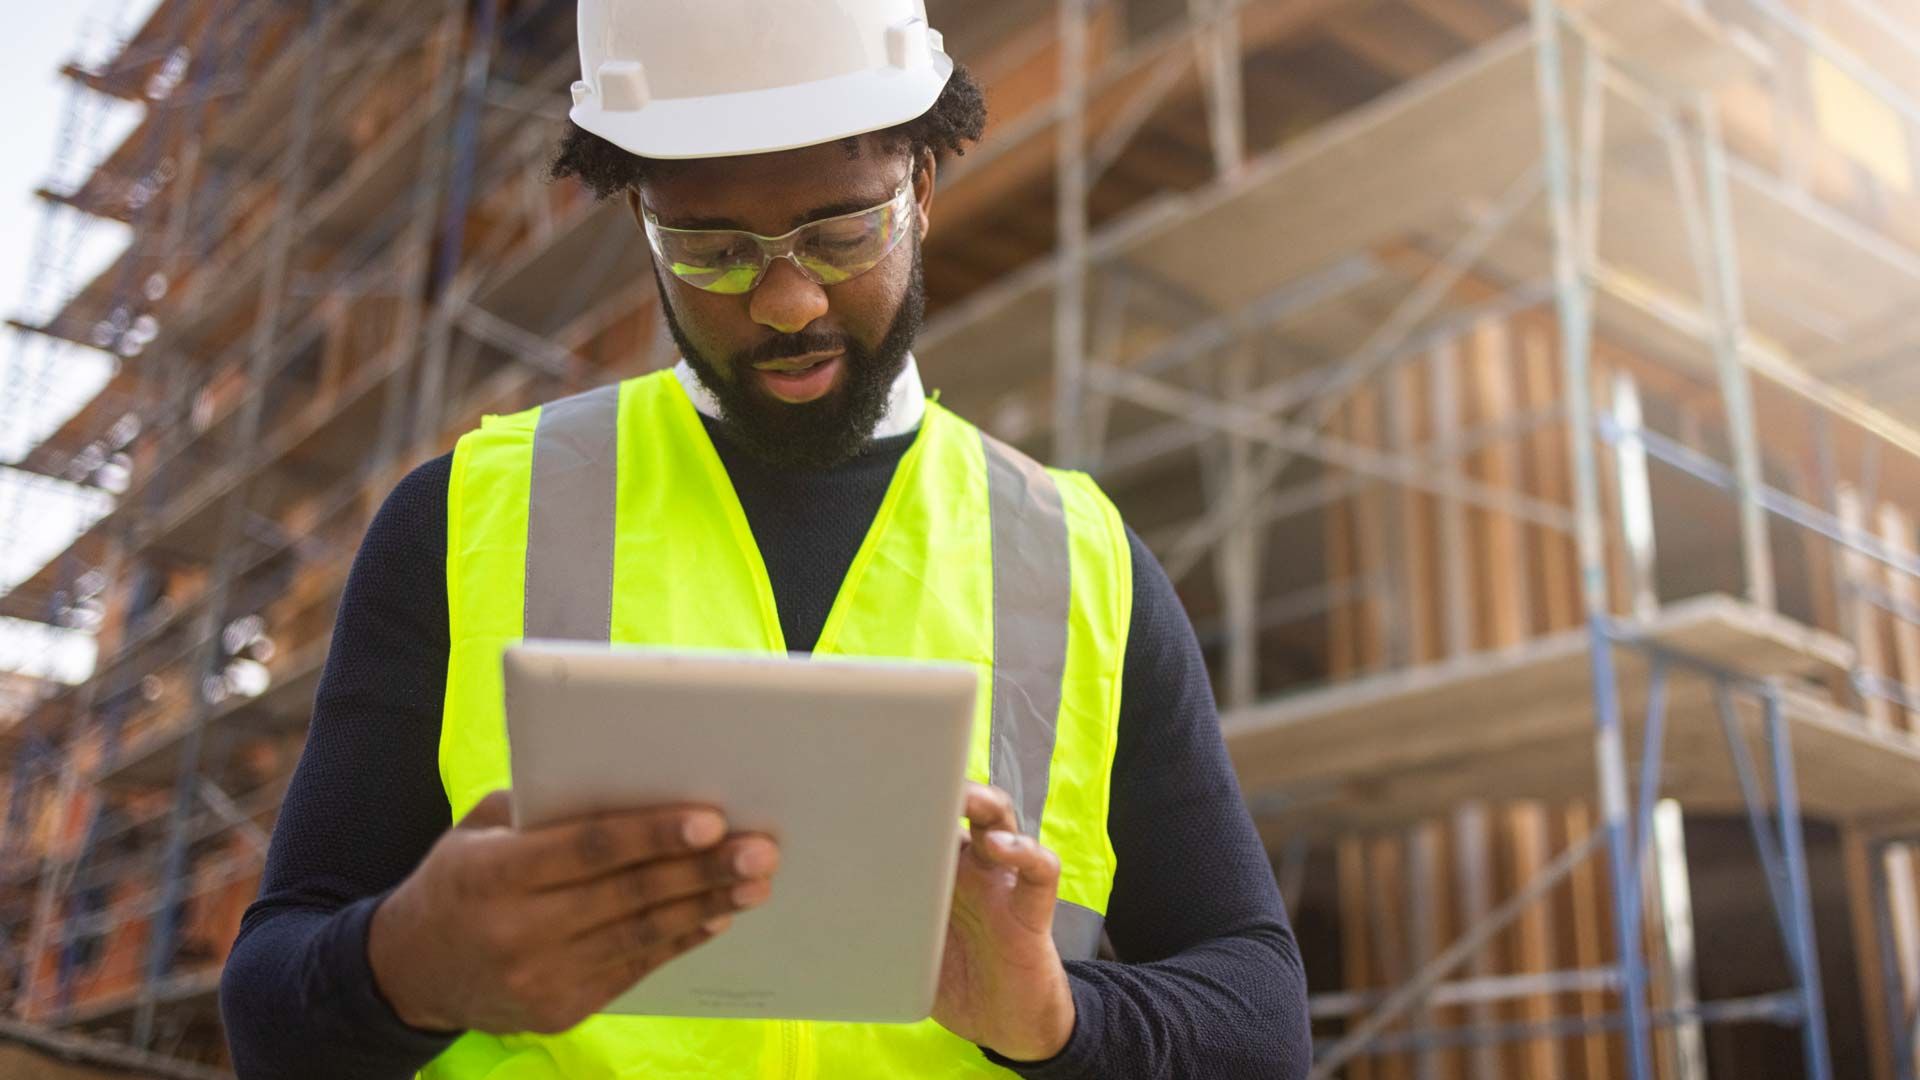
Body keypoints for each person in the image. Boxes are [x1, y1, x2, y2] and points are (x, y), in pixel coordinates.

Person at [218, 1, 1311, 1076]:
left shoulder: (1084, 559)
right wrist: (406, 968)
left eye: (843, 233)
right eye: (713, 251)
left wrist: (1059, 1021)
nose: (787, 301)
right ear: (640, 216)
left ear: (921, 189)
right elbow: (272, 1004)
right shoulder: (463, 517)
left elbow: (1262, 1021)